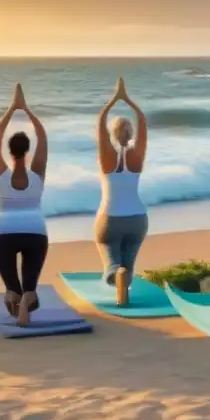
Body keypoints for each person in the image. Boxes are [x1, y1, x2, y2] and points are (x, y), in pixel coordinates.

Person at [0, 83, 49, 326]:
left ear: (9, 151)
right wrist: (27, 110)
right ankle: (27, 300)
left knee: (12, 284)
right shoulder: (37, 174)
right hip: (35, 233)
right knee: (31, 287)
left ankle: (12, 293)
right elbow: (42, 137)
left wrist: (12, 108)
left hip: (2, 235)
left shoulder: (1, 174)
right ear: (28, 150)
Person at [94, 77, 149, 307]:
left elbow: (100, 125)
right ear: (131, 133)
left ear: (113, 134)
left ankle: (115, 274)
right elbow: (143, 122)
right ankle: (123, 286)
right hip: (137, 218)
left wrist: (113, 100)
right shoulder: (137, 156)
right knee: (129, 262)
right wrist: (128, 101)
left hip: (111, 219)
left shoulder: (107, 158)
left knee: (112, 260)